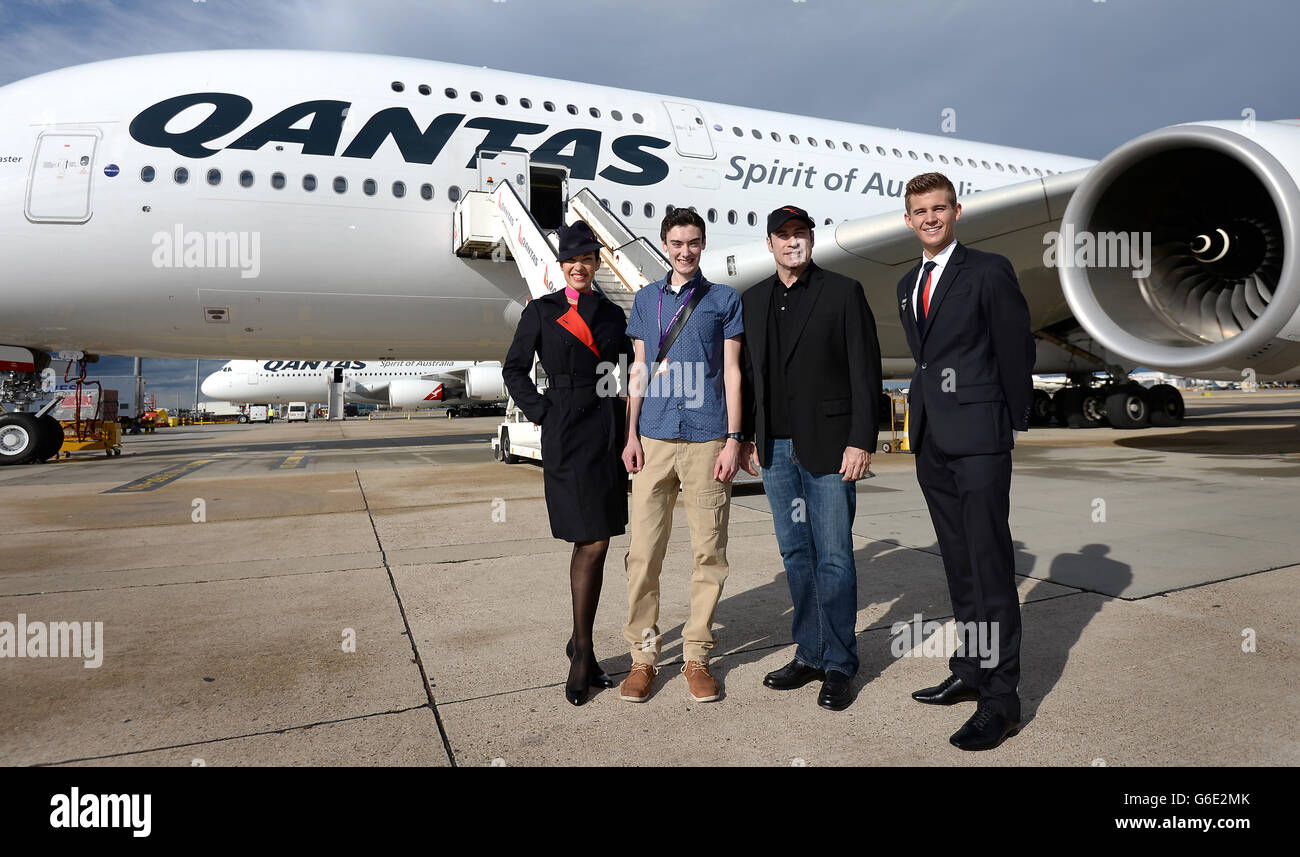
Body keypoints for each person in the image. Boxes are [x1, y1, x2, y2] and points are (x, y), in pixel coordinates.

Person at [896, 172, 1035, 750]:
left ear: (957, 212)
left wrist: (1007, 424)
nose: (930, 218)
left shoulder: (988, 270)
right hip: (932, 441)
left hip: (979, 437)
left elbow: (1014, 347)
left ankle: (1002, 699)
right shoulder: (908, 282)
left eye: (939, 208)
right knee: (958, 563)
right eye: (919, 211)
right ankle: (972, 670)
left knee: (990, 564)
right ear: (909, 220)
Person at [738, 205, 882, 711]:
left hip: (829, 447)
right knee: (797, 556)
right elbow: (750, 378)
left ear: (812, 240)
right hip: (775, 449)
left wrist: (862, 440)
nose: (792, 242)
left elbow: (866, 371)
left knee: (836, 556)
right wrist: (748, 437)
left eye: (800, 233)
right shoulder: (752, 301)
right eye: (783, 235)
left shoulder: (843, 292)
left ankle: (841, 662)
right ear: (771, 244)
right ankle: (810, 652)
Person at [501, 221, 633, 706]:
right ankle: (582, 653)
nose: (580, 266)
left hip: (605, 432)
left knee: (599, 536)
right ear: (561, 266)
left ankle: (583, 644)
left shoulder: (612, 314)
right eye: (571, 260)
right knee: (591, 538)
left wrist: (628, 433)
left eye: (588, 259)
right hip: (565, 432)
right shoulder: (542, 311)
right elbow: (513, 368)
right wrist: (541, 412)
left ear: (597, 264)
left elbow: (623, 375)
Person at [619, 208, 744, 704]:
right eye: (676, 243)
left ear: (703, 243)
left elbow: (733, 373)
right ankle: (643, 658)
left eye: (693, 242)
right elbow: (638, 371)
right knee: (643, 554)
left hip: (708, 436)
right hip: (653, 436)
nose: (685, 251)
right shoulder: (646, 299)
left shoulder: (724, 299)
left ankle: (696, 655)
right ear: (664, 244)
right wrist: (630, 434)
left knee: (708, 553)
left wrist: (735, 437)